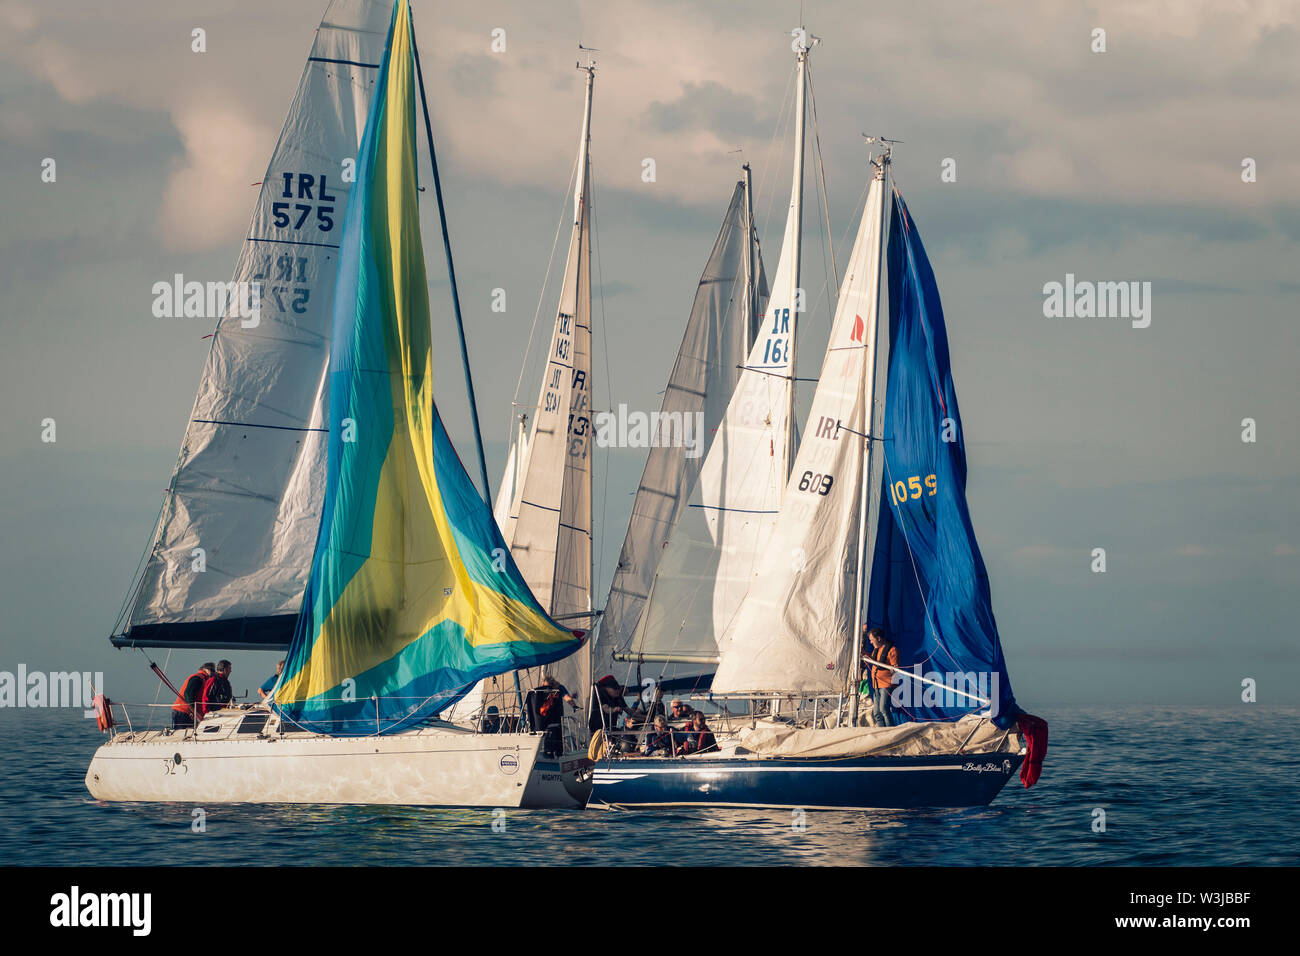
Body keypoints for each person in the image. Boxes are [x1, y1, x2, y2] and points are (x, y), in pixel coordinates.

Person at [526, 674, 575, 756]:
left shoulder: (558, 688)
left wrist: (574, 705)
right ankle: (548, 750)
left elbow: (567, 698)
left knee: (552, 733)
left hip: (548, 718)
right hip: (548, 717)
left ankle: (553, 751)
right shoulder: (540, 691)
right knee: (550, 733)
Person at [866, 627, 900, 727]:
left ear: (879, 638)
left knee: (884, 709)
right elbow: (872, 659)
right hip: (876, 685)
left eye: (872, 640)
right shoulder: (876, 651)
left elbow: (895, 666)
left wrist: (895, 668)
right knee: (876, 712)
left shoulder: (892, 650)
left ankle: (890, 732)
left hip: (886, 684)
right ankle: (882, 732)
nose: (871, 643)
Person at [171, 662, 214, 729]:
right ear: (206, 669)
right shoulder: (198, 678)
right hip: (183, 711)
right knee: (181, 734)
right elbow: (188, 693)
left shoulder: (203, 679)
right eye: (212, 670)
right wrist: (192, 709)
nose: (213, 673)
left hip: (188, 712)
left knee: (189, 734)